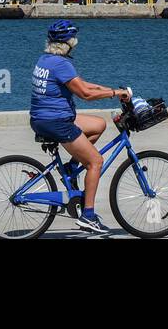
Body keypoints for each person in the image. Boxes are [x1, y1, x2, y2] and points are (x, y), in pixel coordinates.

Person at [30, 20, 130, 235]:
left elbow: (82, 84)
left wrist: (113, 90)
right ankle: (88, 215)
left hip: (42, 118)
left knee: (98, 124)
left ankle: (70, 168)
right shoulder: (62, 64)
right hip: (57, 122)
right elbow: (85, 94)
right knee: (96, 161)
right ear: (70, 43)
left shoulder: (46, 59)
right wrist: (113, 95)